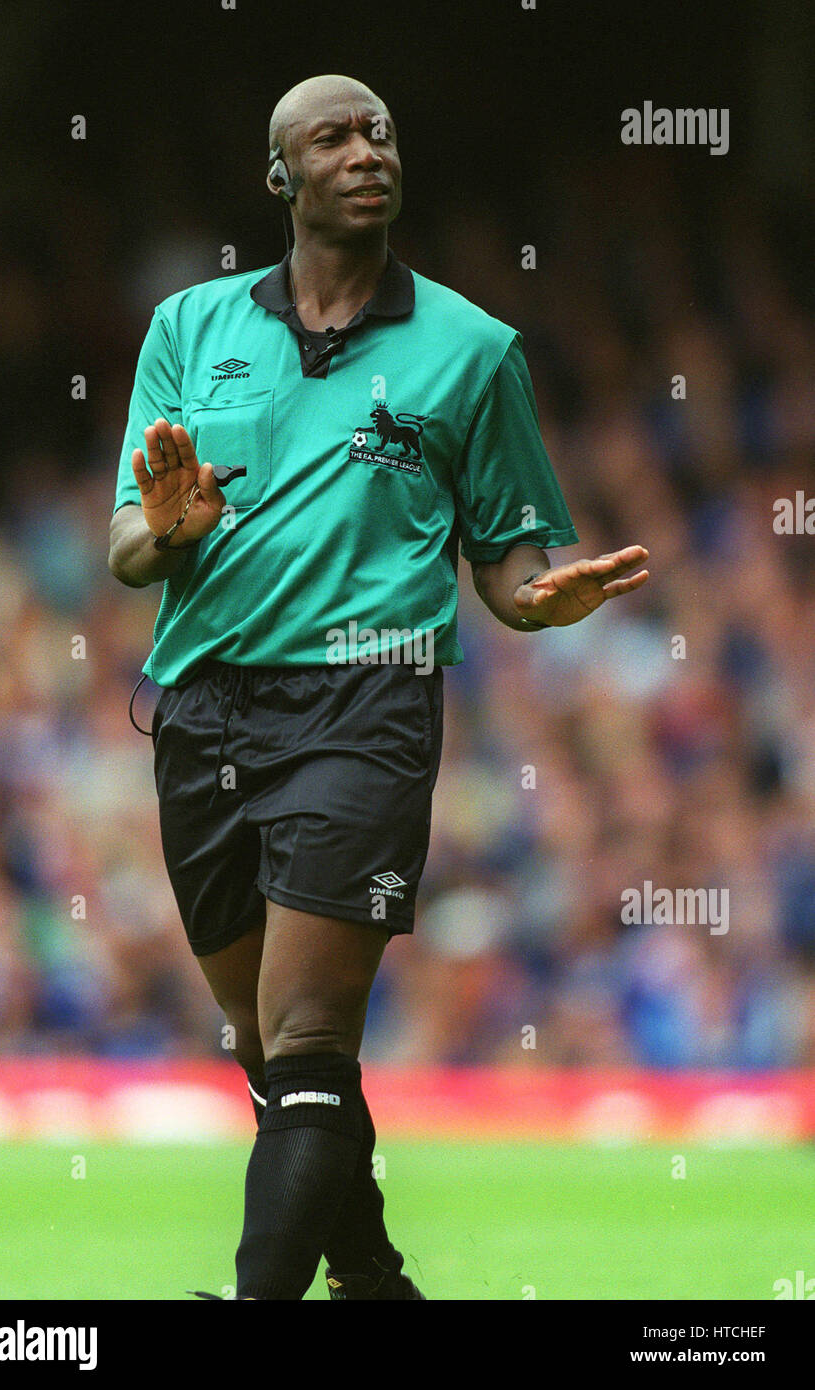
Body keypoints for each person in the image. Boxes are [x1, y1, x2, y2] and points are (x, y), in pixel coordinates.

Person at [108, 73, 649, 1300]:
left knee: (307, 1040)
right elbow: (126, 551)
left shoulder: (472, 349)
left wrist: (536, 599)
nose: (365, 153)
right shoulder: (187, 329)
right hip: (200, 712)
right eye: (332, 138)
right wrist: (171, 526)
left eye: (381, 134)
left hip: (367, 705)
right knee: (263, 1050)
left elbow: (508, 564)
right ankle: (373, 1278)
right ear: (279, 177)